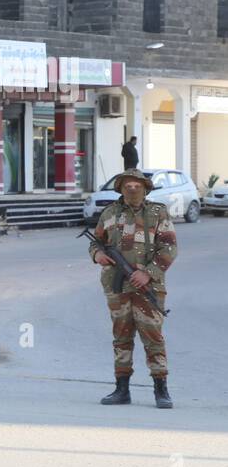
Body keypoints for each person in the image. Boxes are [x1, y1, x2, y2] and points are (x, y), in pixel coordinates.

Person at [89, 169, 178, 408]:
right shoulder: (109, 213)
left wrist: (147, 273)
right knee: (121, 336)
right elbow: (97, 241)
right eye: (127, 185)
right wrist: (97, 254)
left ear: (145, 189)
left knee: (153, 337)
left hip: (149, 287)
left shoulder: (158, 213)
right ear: (120, 189)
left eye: (137, 185)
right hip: (117, 287)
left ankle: (161, 389)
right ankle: (121, 390)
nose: (132, 188)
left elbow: (169, 248)